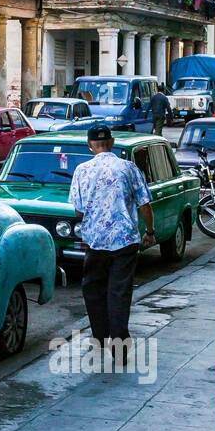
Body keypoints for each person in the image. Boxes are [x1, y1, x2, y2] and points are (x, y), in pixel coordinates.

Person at [69, 124, 156, 361]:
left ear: (89, 145)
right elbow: (144, 204)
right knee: (119, 293)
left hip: (95, 241)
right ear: (112, 142)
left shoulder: (82, 170)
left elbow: (78, 210)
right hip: (125, 241)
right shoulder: (128, 168)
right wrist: (149, 231)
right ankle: (119, 347)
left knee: (93, 290)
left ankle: (99, 338)